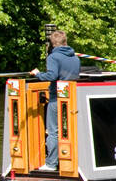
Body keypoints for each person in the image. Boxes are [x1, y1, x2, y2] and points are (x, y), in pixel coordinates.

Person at [29, 30, 81, 173]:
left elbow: (52, 76)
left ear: (52, 44)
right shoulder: (75, 58)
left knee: (53, 131)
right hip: (72, 97)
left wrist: (38, 74)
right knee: (69, 131)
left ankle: (51, 164)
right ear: (65, 42)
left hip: (56, 98)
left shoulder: (53, 57)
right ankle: (69, 161)